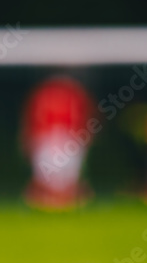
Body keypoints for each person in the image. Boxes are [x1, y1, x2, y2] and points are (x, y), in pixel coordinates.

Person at [20, 76, 95, 211]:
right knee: (48, 182)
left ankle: (60, 201)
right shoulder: (43, 93)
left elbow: (86, 118)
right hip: (49, 141)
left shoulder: (74, 93)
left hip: (70, 140)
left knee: (66, 182)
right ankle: (54, 201)